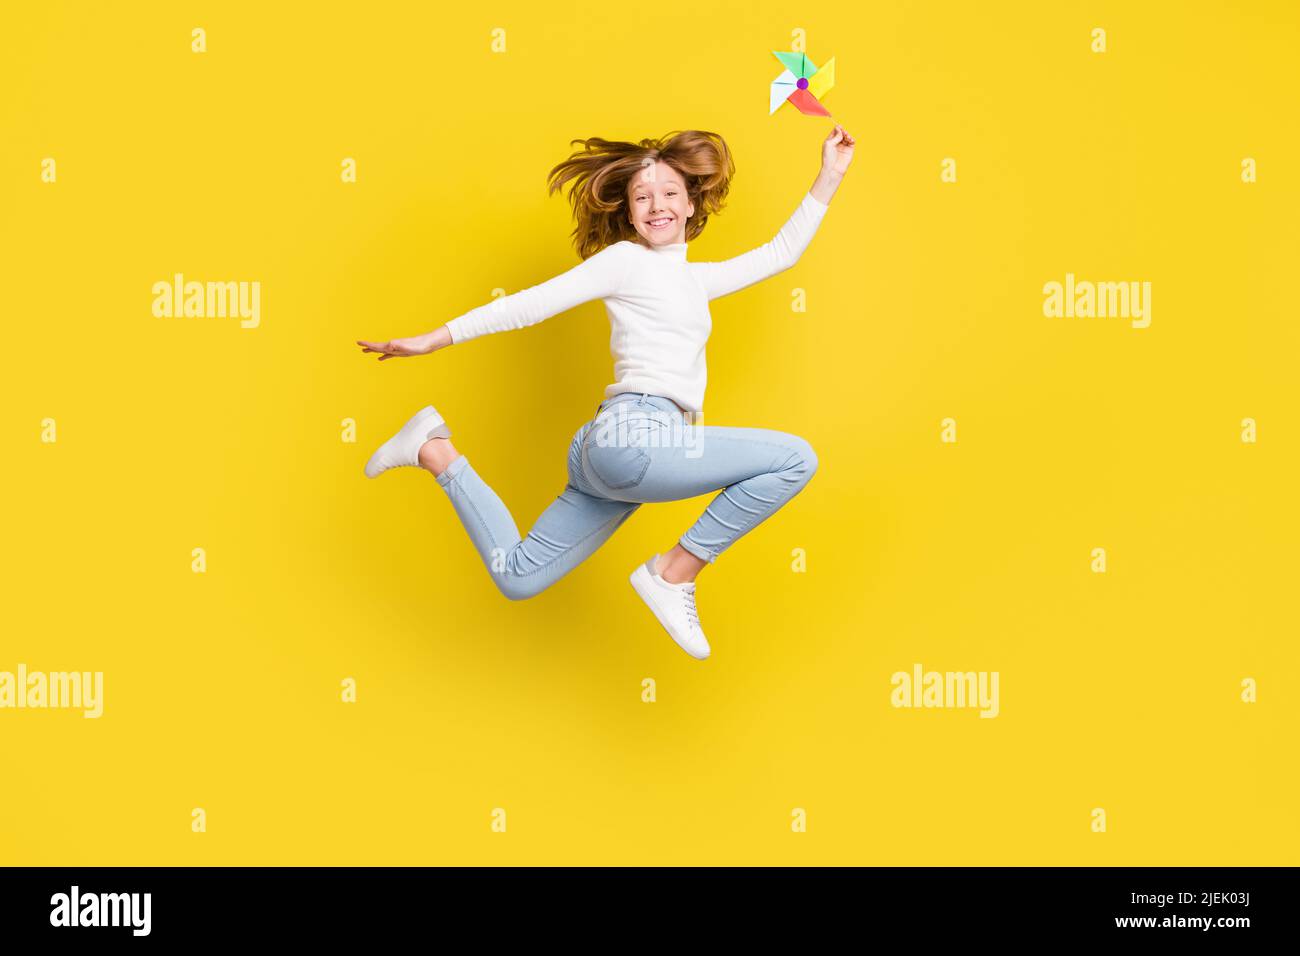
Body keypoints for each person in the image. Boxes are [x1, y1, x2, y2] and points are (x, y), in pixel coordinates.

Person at [357, 124, 855, 660]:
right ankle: (673, 573)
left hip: (617, 460)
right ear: (630, 211)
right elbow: (528, 304)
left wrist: (830, 174)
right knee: (794, 459)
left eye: (669, 194)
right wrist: (434, 339)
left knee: (518, 576)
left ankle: (434, 448)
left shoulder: (697, 281)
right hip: (631, 435)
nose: (656, 206)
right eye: (643, 197)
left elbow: (782, 253)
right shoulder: (624, 262)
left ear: (692, 205)